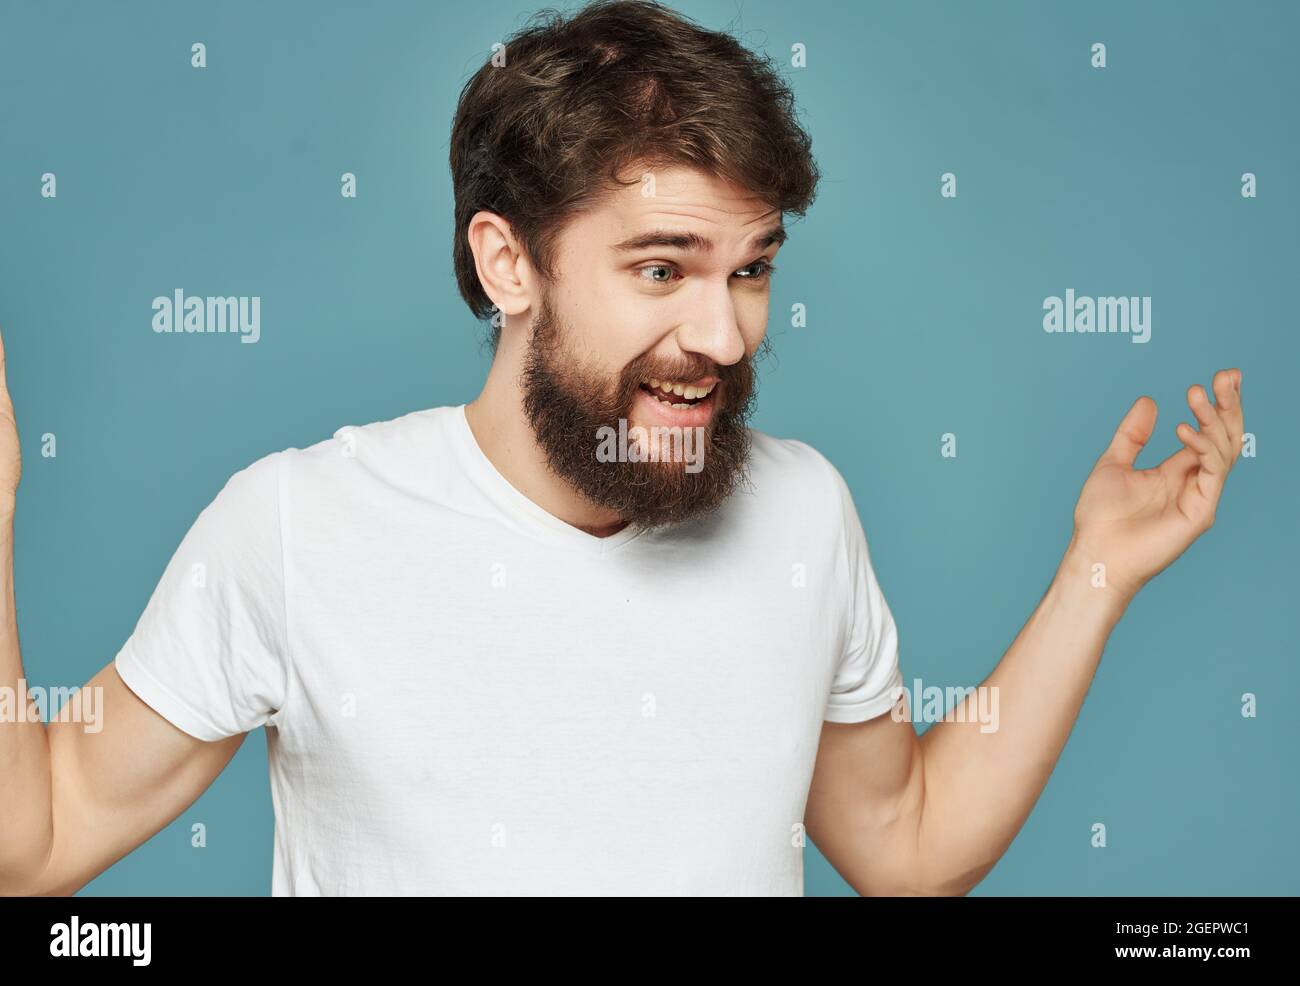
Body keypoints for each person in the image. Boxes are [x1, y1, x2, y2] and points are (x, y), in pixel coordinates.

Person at [0, 0, 1244, 896]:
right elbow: (39, 837)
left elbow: (906, 844)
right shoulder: (296, 524)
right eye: (662, 268)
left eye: (750, 270)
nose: (720, 333)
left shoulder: (802, 510)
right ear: (509, 264)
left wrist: (1099, 571)